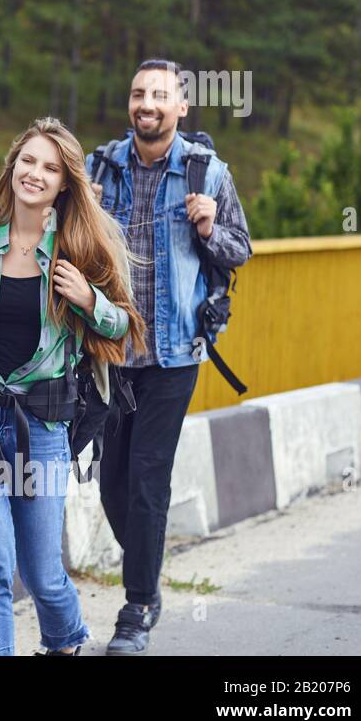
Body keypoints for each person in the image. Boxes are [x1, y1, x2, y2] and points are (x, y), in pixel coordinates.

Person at [0, 117, 144, 656]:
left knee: (42, 572)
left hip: (43, 423)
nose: (35, 173)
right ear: (13, 165)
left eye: (49, 167)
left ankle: (65, 637)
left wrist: (91, 301)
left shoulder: (78, 249)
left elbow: (126, 329)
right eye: (28, 161)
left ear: (64, 182)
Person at [87, 59, 252, 655]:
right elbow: (62, 239)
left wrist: (210, 229)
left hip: (176, 353)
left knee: (148, 479)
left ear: (181, 107)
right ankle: (148, 577)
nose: (146, 104)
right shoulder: (99, 167)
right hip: (110, 352)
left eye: (159, 95)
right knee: (111, 483)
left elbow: (241, 251)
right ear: (129, 104)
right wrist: (80, 209)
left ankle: (135, 610)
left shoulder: (207, 172)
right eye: (137, 94)